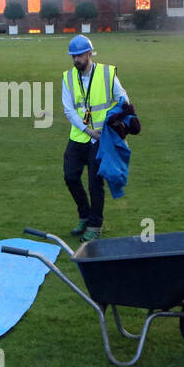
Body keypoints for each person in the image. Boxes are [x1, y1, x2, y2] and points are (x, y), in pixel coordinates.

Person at [62, 34, 128, 241]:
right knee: (70, 177)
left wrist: (113, 124)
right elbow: (68, 110)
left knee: (95, 184)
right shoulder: (68, 77)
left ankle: (95, 226)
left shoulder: (107, 74)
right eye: (73, 56)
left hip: (101, 139)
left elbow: (124, 100)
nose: (76, 60)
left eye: (79, 55)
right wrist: (87, 130)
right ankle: (85, 214)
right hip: (80, 136)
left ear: (89, 53)